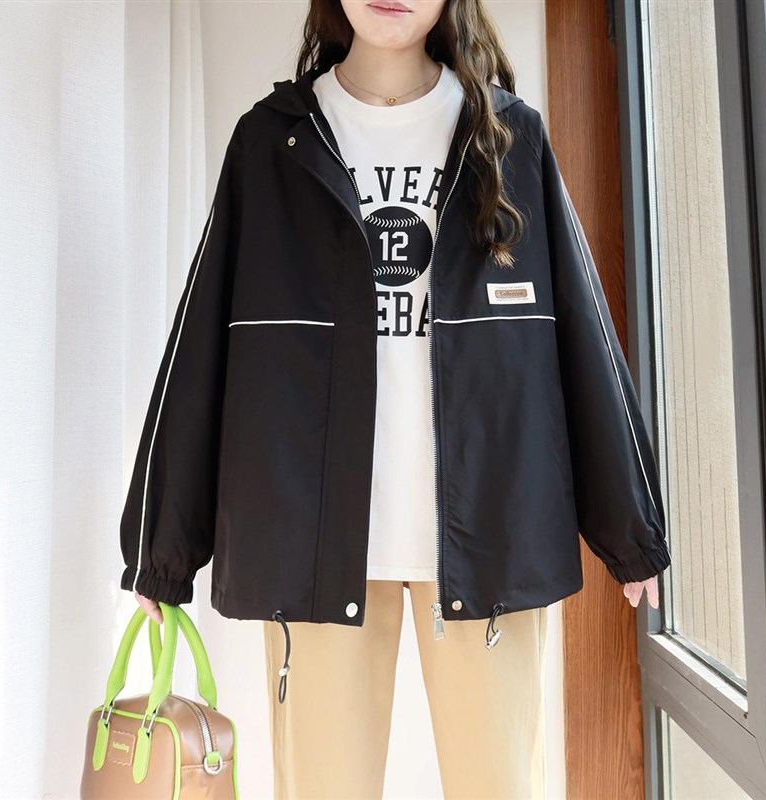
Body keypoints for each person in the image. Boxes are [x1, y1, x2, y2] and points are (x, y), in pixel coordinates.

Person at [121, 1, 672, 796]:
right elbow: (202, 341)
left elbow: (580, 334)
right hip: (312, 545)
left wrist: (632, 528)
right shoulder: (270, 143)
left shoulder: (508, 136)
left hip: (490, 535)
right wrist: (160, 547)